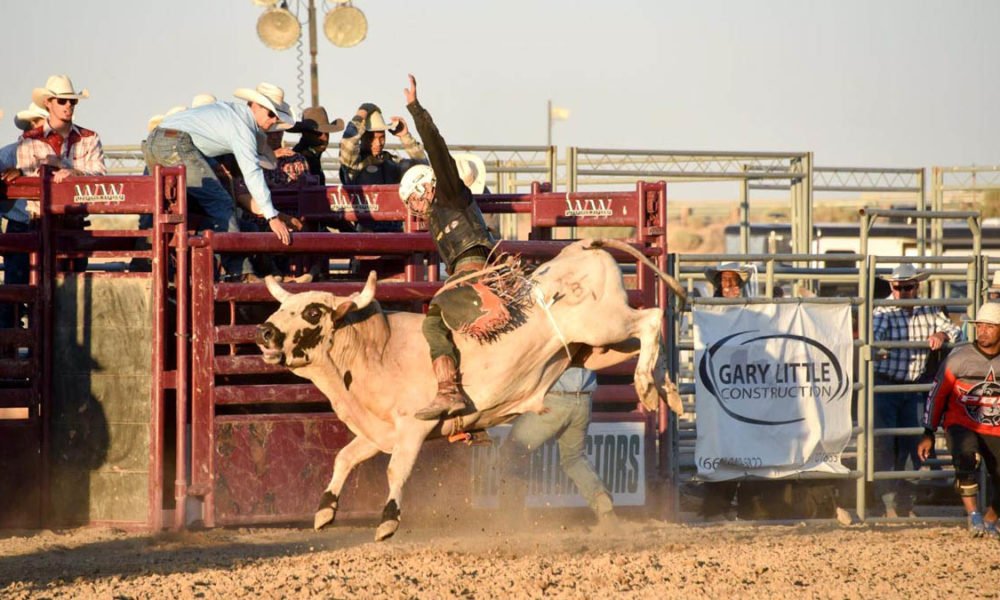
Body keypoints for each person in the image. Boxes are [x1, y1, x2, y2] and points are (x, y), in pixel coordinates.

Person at [398, 74, 497, 420]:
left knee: (432, 324)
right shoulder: (441, 213)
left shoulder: (450, 193)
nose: (414, 206)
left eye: (413, 197)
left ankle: (449, 391)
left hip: (472, 266)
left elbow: (435, 147)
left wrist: (414, 107)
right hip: (469, 266)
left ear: (426, 187)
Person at [142, 82, 296, 281]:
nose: (274, 121)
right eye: (271, 114)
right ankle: (239, 272)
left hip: (158, 140)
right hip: (175, 142)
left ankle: (143, 261)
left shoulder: (229, 114)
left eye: (277, 117)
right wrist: (272, 217)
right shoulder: (242, 128)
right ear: (254, 105)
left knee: (156, 203)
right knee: (220, 203)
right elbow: (252, 172)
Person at [872, 263, 962, 518]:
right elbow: (875, 339)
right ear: (892, 286)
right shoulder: (883, 310)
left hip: (914, 387)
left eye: (909, 287)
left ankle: (905, 504)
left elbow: (956, 330)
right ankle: (890, 505)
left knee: (915, 445)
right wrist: (880, 349)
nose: (903, 292)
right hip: (886, 385)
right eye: (899, 287)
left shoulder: (929, 308)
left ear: (916, 287)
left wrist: (942, 334)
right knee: (886, 445)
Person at [918, 302, 1000, 539]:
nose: (982, 331)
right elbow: (937, 394)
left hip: (994, 427)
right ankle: (974, 515)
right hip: (961, 421)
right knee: (965, 457)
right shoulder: (959, 358)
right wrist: (929, 431)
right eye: (980, 326)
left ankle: (990, 519)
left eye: (990, 327)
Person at [498, 367, 616, 525]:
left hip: (554, 398)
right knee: (574, 458)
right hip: (583, 401)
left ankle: (510, 517)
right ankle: (604, 506)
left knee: (513, 451)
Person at [0, 103, 49, 331]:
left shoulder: (59, 154)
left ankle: (15, 351)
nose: (37, 127)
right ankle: (12, 347)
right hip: (23, 226)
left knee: (22, 291)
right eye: (35, 122)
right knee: (15, 293)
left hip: (33, 227)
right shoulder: (9, 154)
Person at [339, 102, 425, 186]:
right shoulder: (353, 165)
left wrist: (405, 137)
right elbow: (348, 143)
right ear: (361, 137)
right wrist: (360, 116)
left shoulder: (392, 162)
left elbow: (422, 169)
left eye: (382, 137)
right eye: (371, 138)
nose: (378, 143)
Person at [290, 106, 344, 185]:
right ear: (306, 133)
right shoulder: (300, 158)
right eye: (318, 133)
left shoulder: (312, 154)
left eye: (327, 132)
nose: (325, 138)